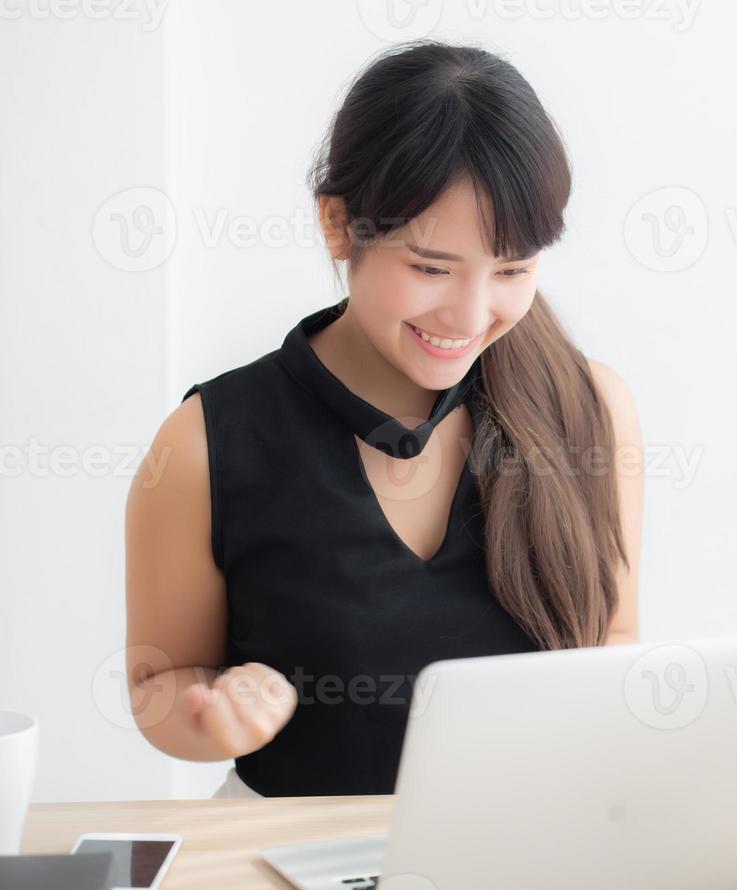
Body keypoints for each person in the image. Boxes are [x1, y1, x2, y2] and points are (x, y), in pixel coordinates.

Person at [123, 41, 643, 798]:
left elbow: (613, 641)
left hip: (530, 853)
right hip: (292, 863)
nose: (469, 316)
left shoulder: (589, 410)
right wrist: (209, 716)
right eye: (430, 268)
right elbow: (159, 678)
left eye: (512, 271)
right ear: (338, 226)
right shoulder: (205, 443)